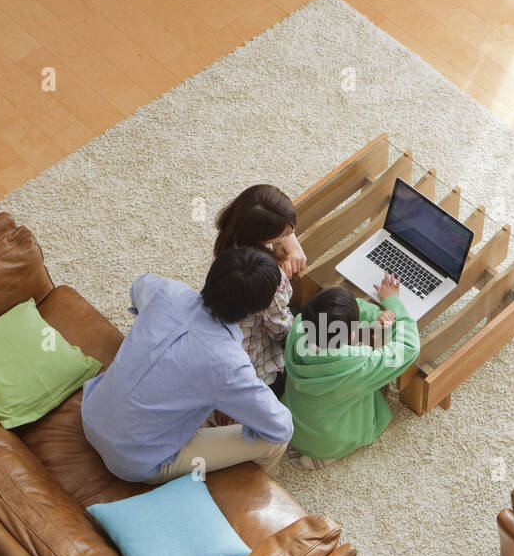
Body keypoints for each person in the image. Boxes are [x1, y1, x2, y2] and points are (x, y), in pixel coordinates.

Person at [81, 248, 293, 484]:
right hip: (133, 461)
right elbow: (280, 427)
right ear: (258, 309)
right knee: (274, 442)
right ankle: (256, 492)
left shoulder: (166, 291)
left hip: (90, 413)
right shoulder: (230, 365)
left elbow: (137, 286)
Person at [281, 272, 420, 468]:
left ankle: (308, 446)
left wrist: (375, 315)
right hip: (328, 442)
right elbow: (409, 346)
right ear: (354, 333)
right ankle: (323, 455)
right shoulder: (359, 367)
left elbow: (334, 311)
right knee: (378, 400)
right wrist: (392, 303)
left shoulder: (299, 326)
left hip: (291, 423)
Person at [212, 184, 306, 395]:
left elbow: (270, 213)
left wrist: (295, 249)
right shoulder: (268, 279)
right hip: (255, 363)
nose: (291, 233)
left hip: (226, 336)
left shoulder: (229, 239)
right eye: (284, 232)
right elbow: (281, 330)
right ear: (261, 236)